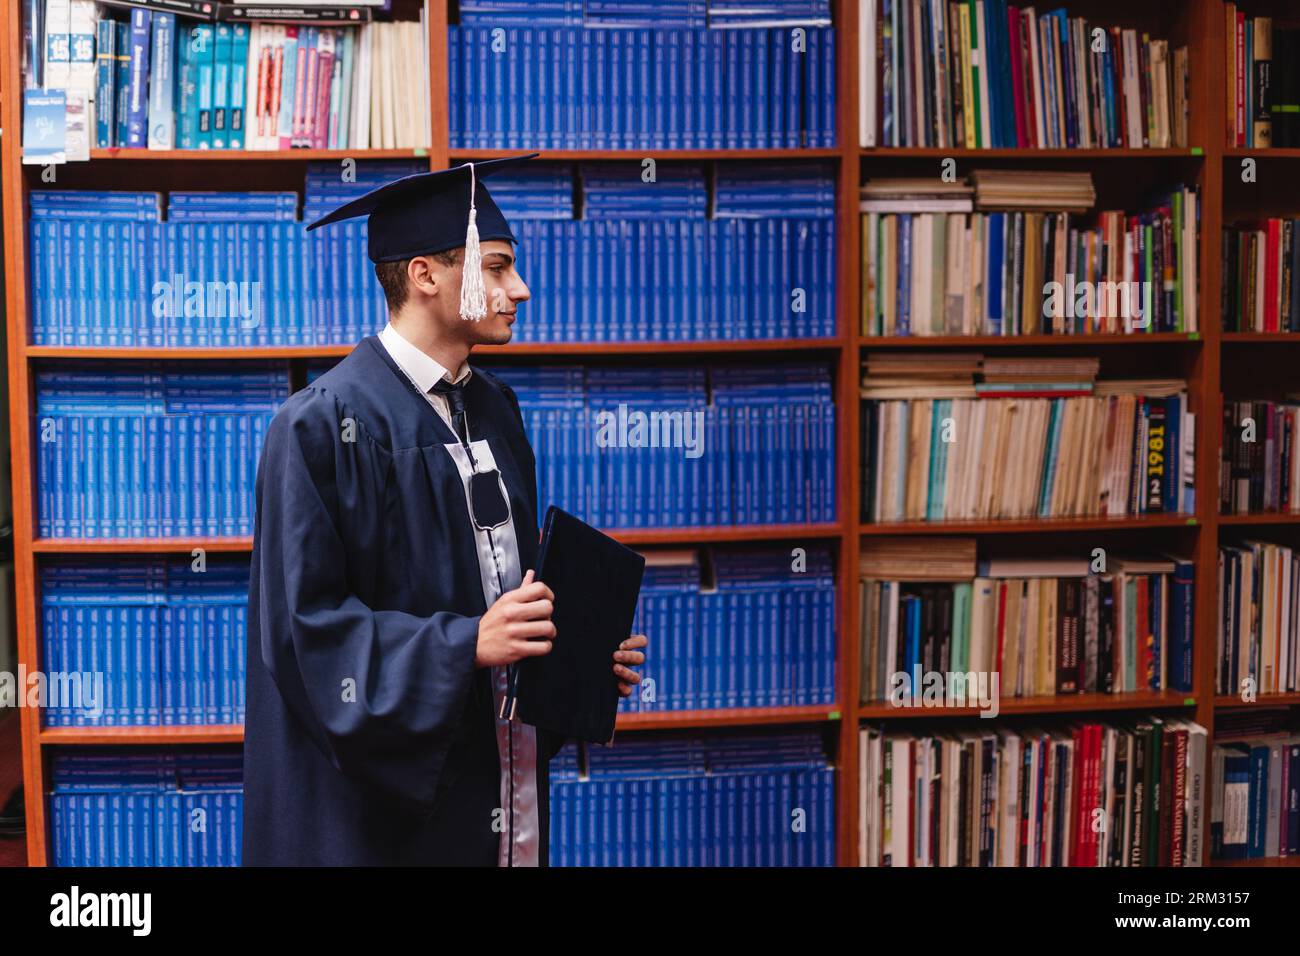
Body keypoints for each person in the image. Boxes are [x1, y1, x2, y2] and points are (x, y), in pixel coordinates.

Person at [243, 154, 648, 865]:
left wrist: (575, 656)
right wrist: (464, 648)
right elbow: (305, 639)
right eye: (495, 266)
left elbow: (507, 600)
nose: (518, 289)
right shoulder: (320, 426)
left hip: (493, 781)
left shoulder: (496, 411)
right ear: (426, 275)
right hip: (381, 817)